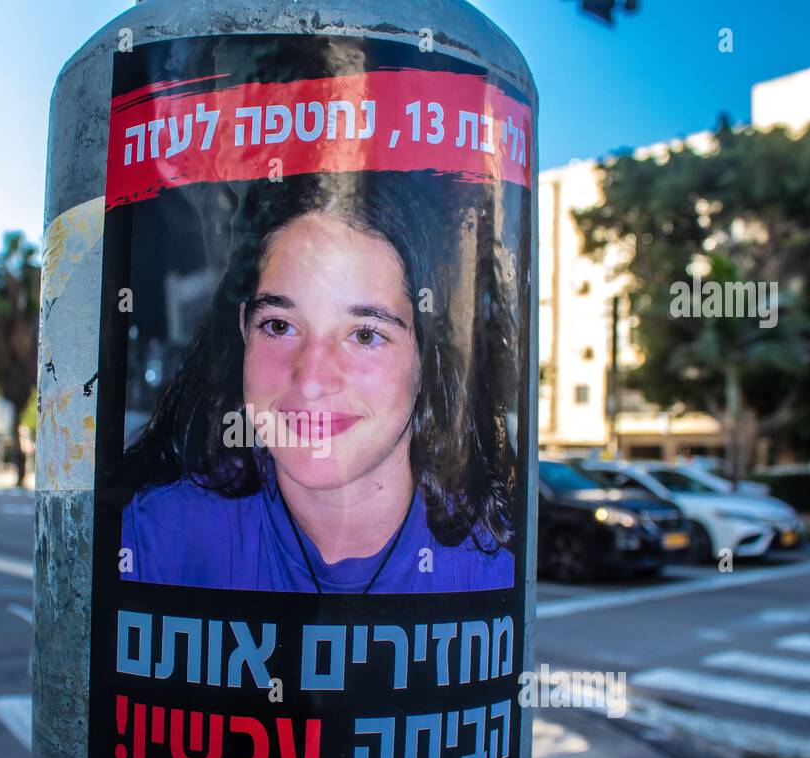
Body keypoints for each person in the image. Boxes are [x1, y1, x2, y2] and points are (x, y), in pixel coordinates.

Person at [118, 172, 518, 594]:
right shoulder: (154, 542)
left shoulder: (493, 568)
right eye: (279, 325)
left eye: (365, 334)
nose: (311, 380)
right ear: (243, 330)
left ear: (428, 354)